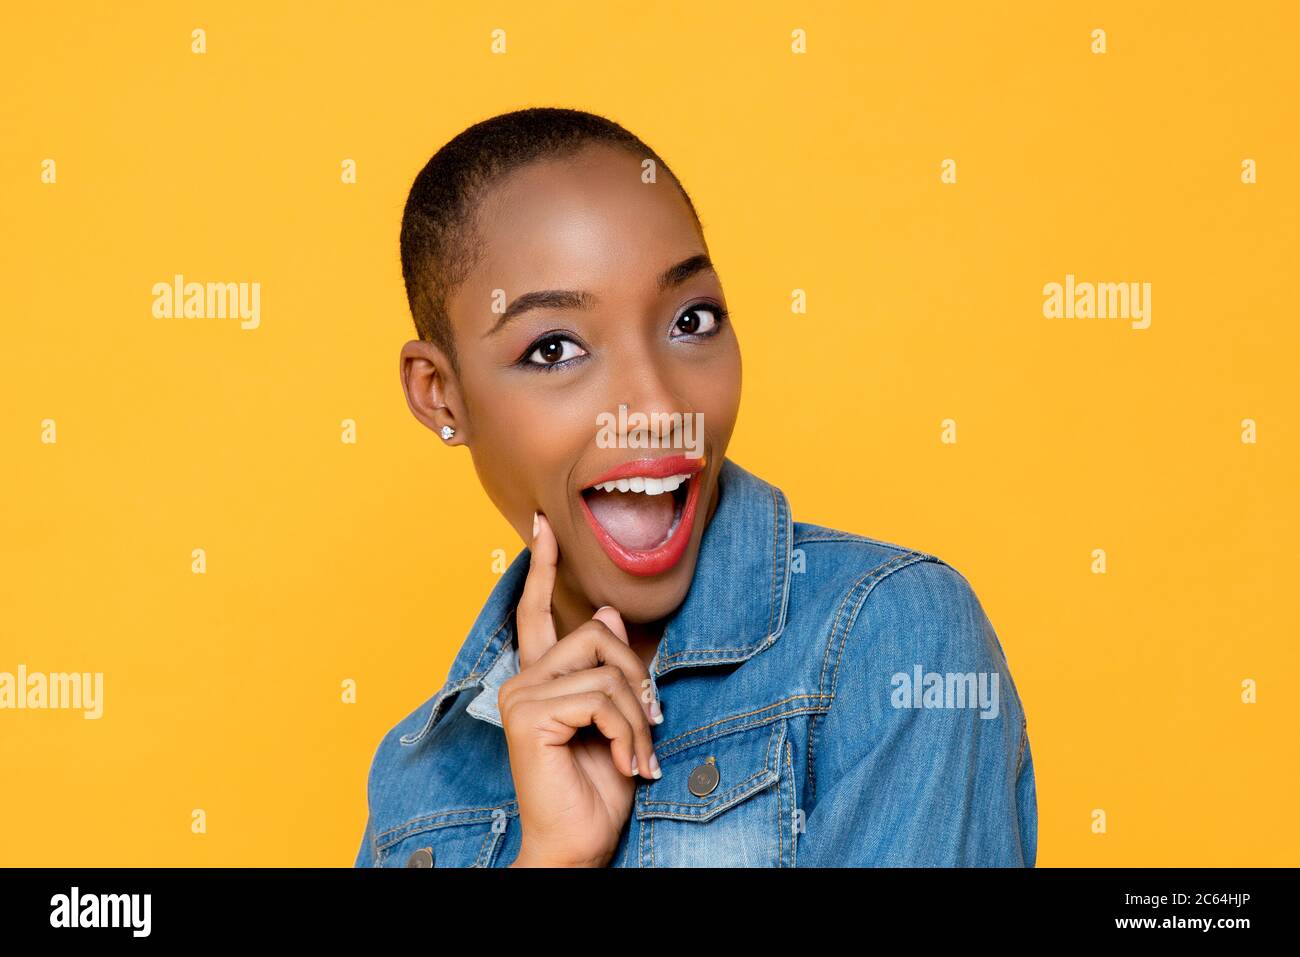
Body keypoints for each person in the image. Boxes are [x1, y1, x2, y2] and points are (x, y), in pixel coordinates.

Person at [354, 107, 1036, 867]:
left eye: (691, 319)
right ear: (439, 393)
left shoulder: (893, 640)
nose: (657, 408)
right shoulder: (416, 784)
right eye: (555, 348)